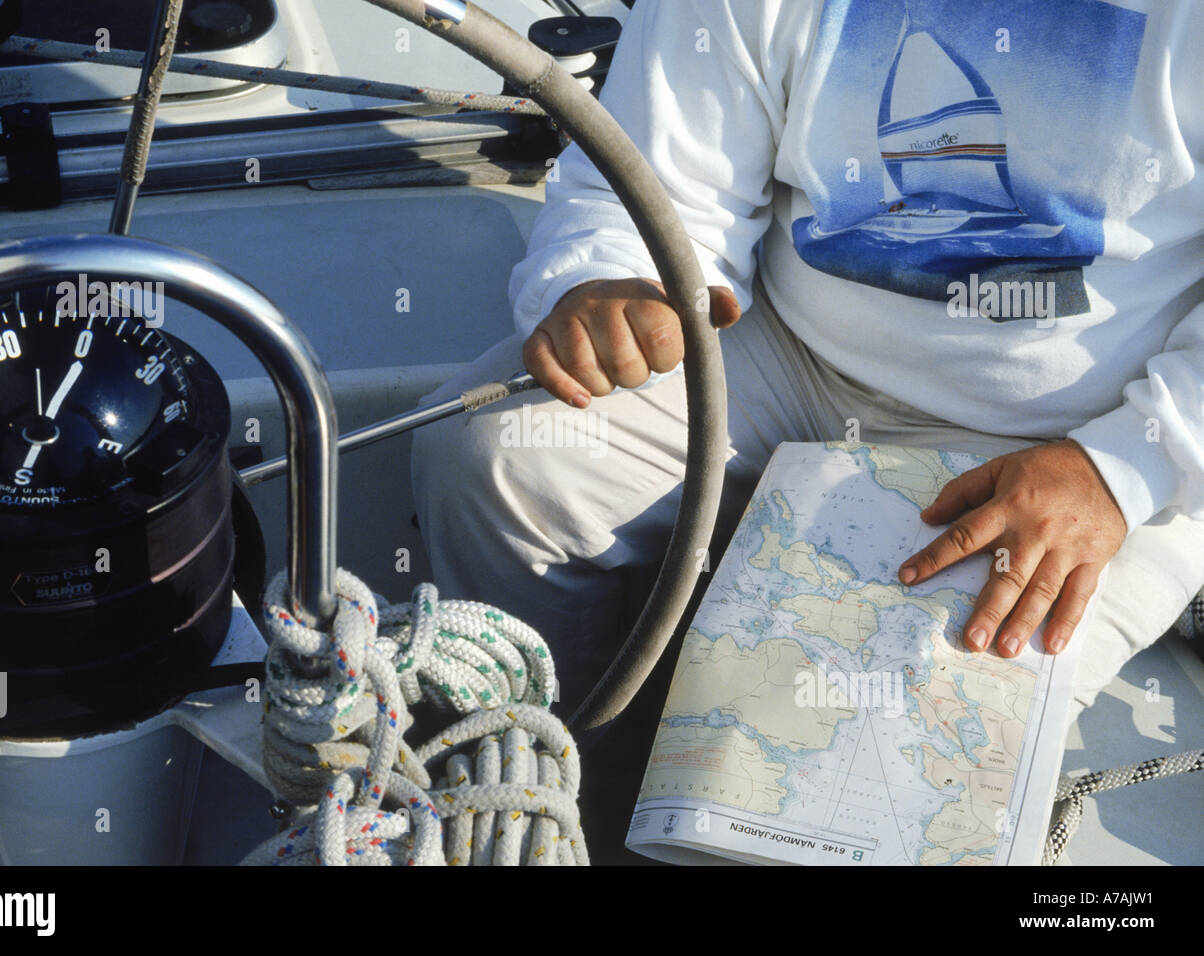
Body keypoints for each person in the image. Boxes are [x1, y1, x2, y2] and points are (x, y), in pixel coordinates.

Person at [411, 0, 1204, 719]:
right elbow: (663, 181)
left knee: (917, 722)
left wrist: (1125, 467)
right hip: (785, 352)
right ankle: (543, 777)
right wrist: (616, 277)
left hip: (1094, 438)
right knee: (499, 463)